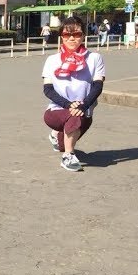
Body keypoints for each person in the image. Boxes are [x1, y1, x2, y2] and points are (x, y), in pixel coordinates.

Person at [42, 16, 106, 172]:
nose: (72, 38)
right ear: (61, 36)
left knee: (64, 143)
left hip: (84, 111)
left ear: (83, 35)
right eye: (67, 34)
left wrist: (84, 105)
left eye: (76, 34)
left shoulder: (95, 58)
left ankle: (57, 137)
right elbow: (48, 89)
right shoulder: (52, 60)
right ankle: (68, 157)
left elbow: (98, 86)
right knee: (73, 118)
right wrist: (69, 105)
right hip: (57, 110)